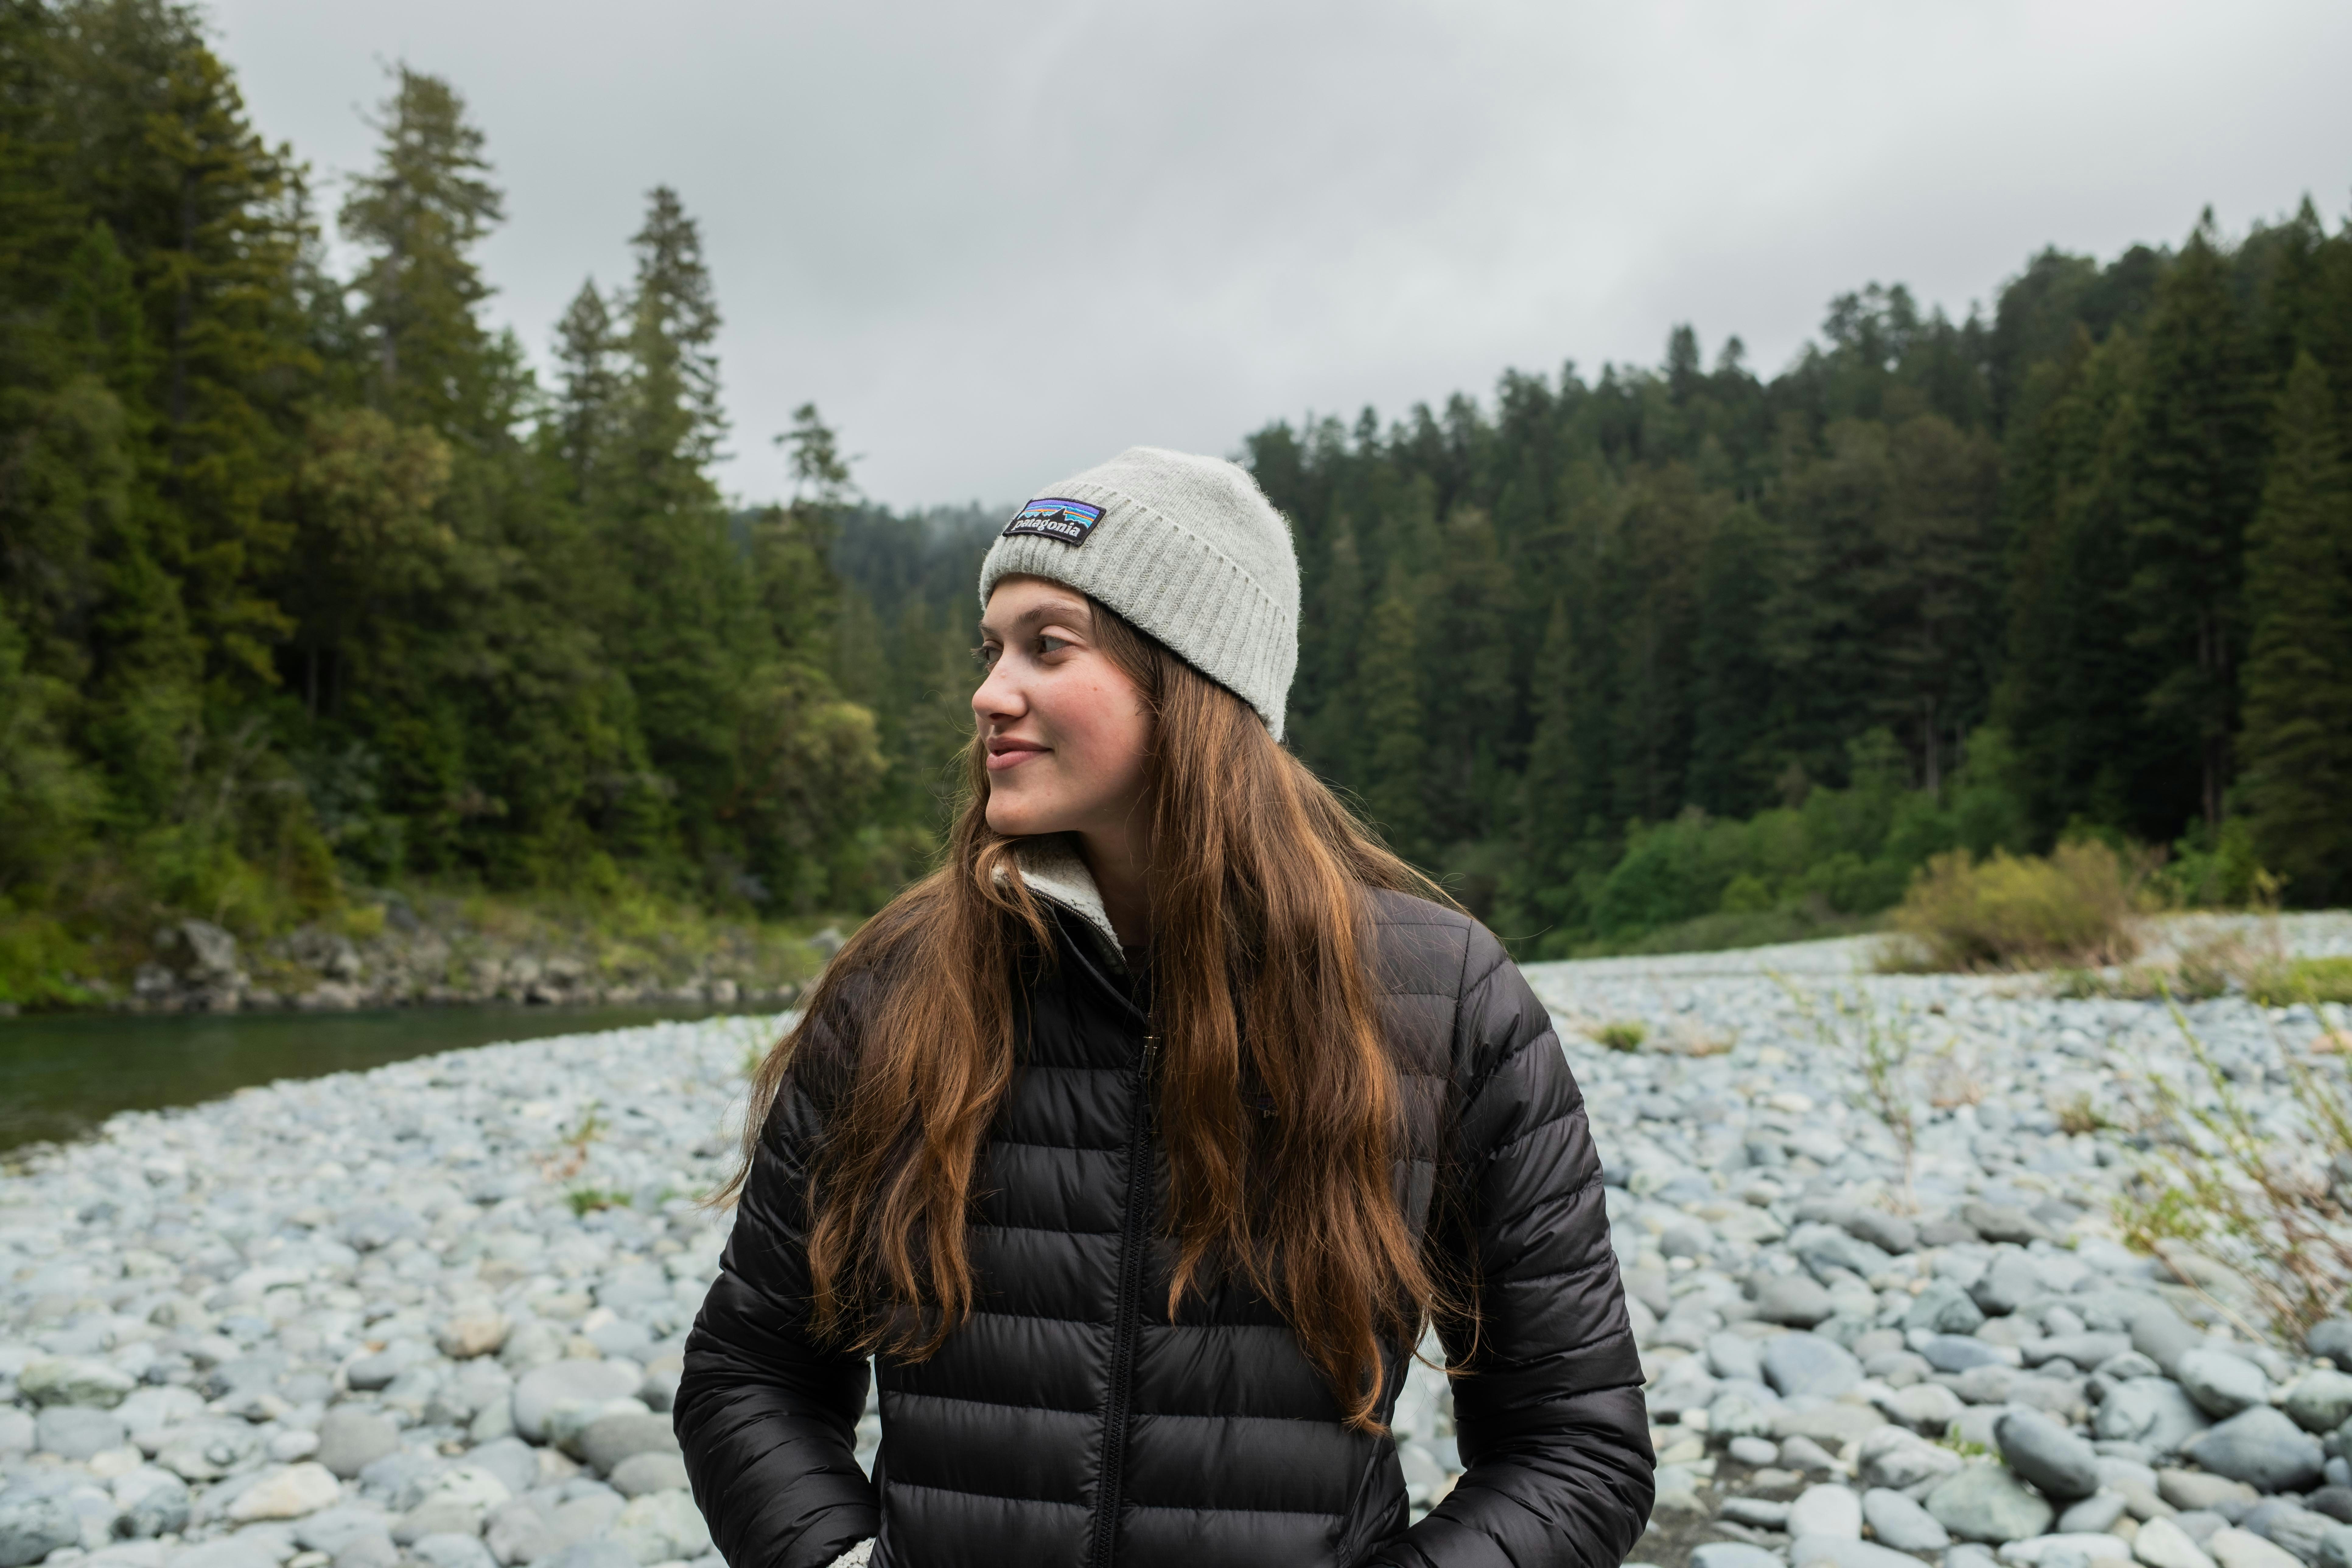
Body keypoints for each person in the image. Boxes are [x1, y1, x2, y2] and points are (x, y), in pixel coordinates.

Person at [673, 448, 1654, 1568]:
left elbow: (1578, 1448)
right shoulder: (899, 984)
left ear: (1191, 679)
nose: (990, 692)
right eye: (991, 649)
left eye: (1048, 646)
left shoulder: (1447, 1001)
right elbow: (750, 1375)